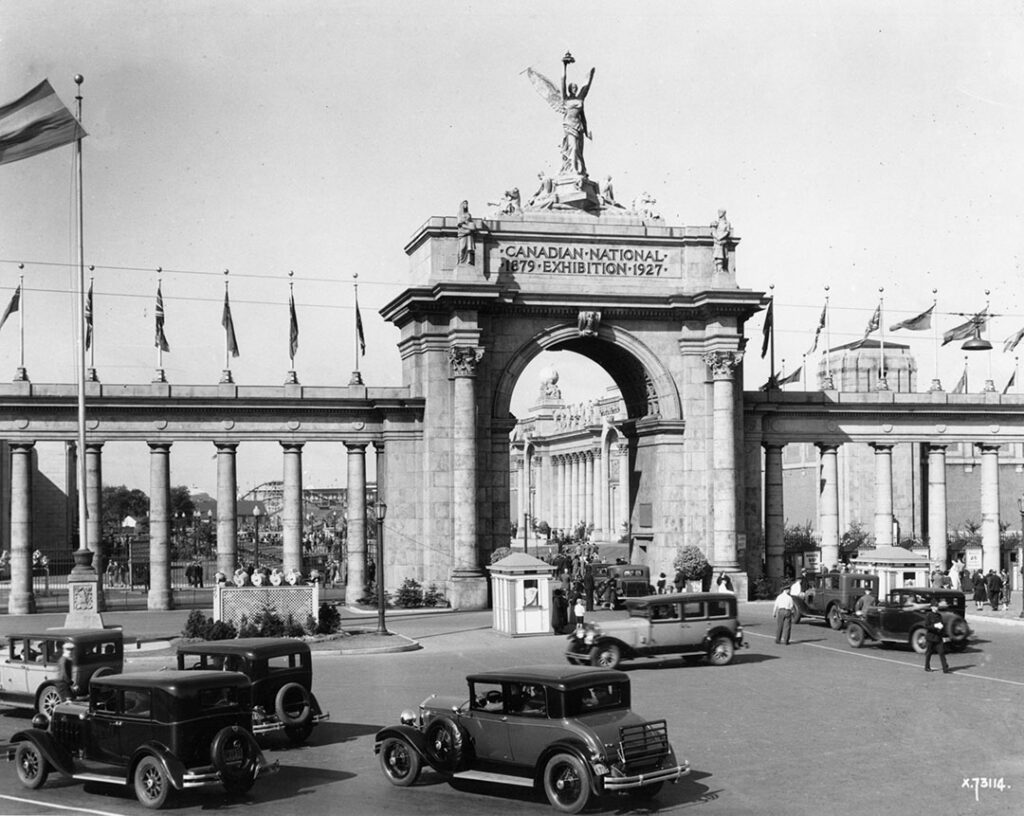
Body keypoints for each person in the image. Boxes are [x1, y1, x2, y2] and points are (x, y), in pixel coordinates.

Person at [923, 600, 951, 673]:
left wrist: (942, 629)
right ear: (932, 607)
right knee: (929, 652)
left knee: (941, 652)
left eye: (937, 606)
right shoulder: (928, 615)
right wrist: (934, 626)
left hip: (938, 637)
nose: (936, 608)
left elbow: (942, 624)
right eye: (935, 606)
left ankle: (945, 668)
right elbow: (926, 626)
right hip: (930, 637)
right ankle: (927, 666)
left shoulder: (939, 615)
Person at [456, 200, 477, 265]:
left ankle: (469, 261)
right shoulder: (459, 214)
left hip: (469, 234)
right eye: (465, 204)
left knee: (469, 248)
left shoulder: (469, 214)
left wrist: (470, 228)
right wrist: (469, 228)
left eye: (467, 204)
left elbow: (471, 223)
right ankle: (461, 262)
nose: (466, 205)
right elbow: (459, 224)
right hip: (463, 233)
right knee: (462, 248)